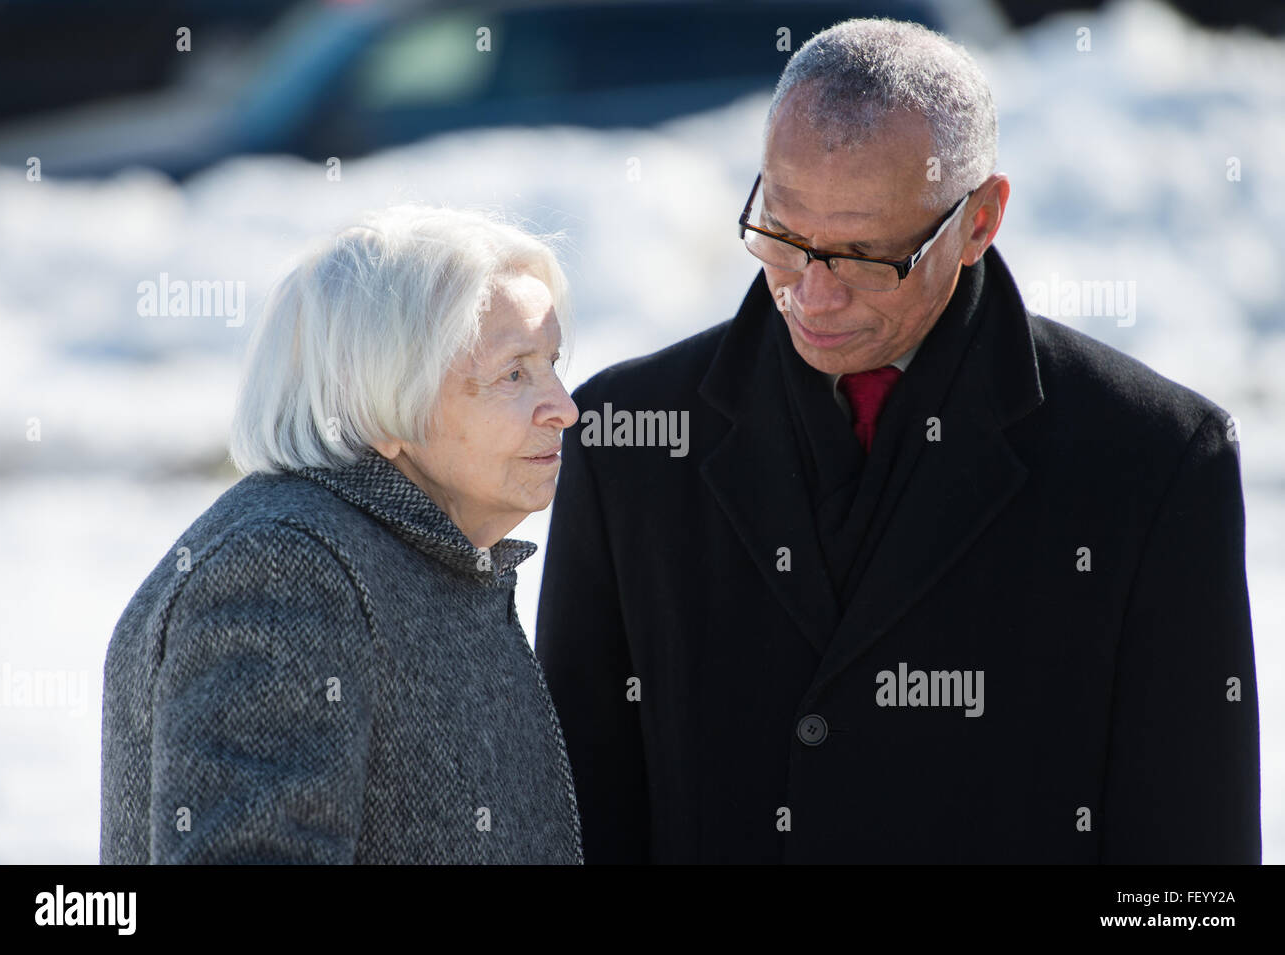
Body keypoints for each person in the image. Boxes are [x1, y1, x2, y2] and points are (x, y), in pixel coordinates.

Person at [535, 17, 1260, 863]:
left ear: (981, 219)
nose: (813, 294)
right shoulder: (628, 441)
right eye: (784, 233)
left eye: (865, 255)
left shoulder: (1154, 458)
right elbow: (579, 821)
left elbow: (1189, 867)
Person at [101, 204, 583, 864]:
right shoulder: (286, 569)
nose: (565, 405)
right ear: (384, 398)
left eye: (553, 362)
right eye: (515, 373)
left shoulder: (412, 552)